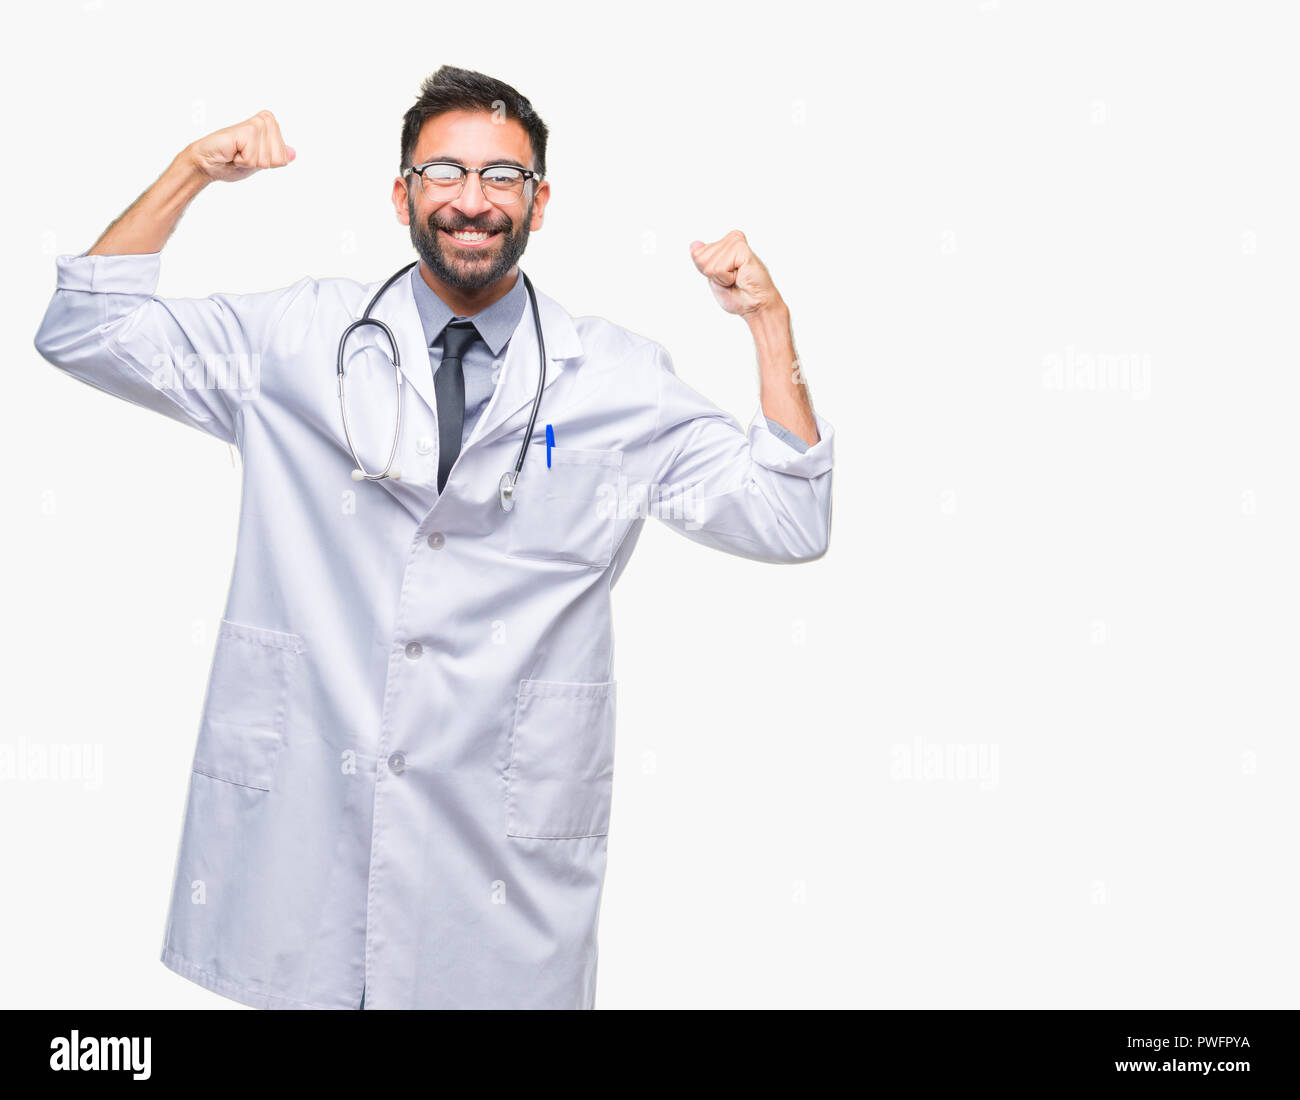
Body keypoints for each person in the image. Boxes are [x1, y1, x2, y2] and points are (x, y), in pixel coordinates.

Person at [33, 65, 835, 1009]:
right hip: (302, 829)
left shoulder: (613, 380)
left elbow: (789, 518)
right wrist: (191, 171)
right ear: (402, 192)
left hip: (497, 852)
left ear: (540, 205)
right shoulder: (297, 338)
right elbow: (86, 330)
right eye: (443, 171)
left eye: (503, 177)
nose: (471, 200)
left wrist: (768, 327)